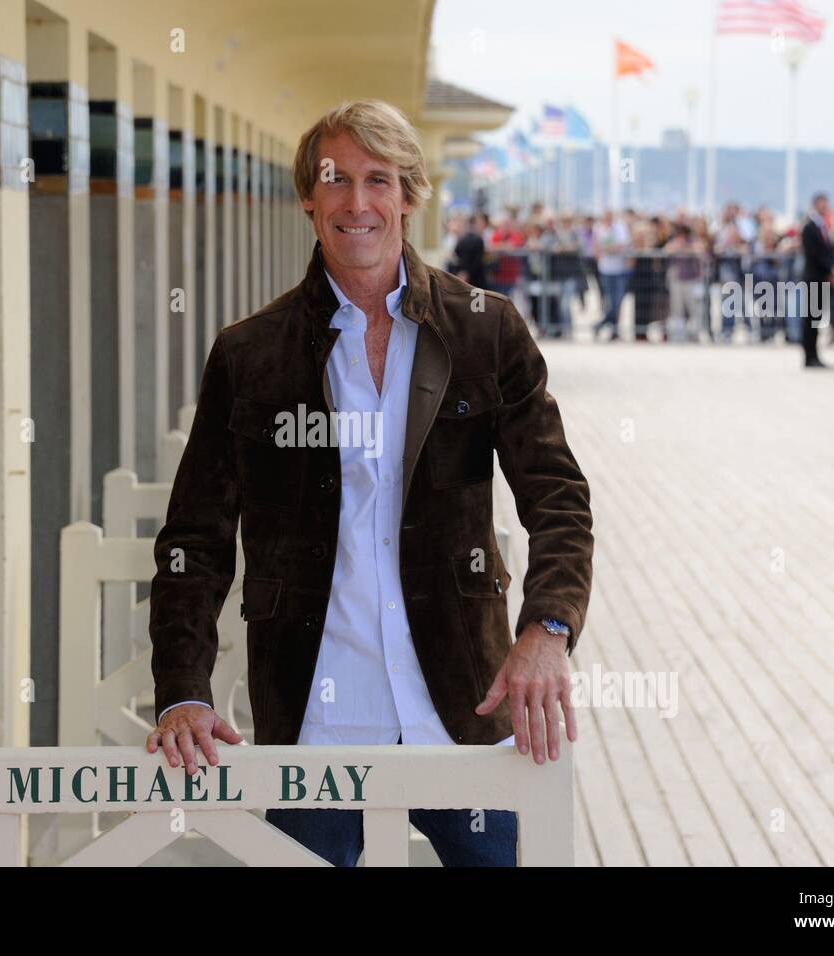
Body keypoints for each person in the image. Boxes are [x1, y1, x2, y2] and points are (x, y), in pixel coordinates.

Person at [145, 99, 595, 867]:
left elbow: (558, 496)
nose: (358, 202)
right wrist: (183, 687)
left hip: (464, 702)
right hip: (314, 715)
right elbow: (196, 537)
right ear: (308, 199)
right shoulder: (250, 354)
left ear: (409, 195)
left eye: (378, 180)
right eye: (336, 180)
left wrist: (548, 630)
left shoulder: (486, 330)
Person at [800, 192, 834, 368]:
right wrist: (830, 269)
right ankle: (809, 356)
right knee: (811, 319)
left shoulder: (822, 227)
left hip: (821, 278)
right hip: (814, 278)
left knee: (816, 318)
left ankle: (814, 355)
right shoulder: (810, 228)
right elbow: (816, 254)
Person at [592, 210, 631, 341]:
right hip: (605, 270)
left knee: (617, 302)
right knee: (611, 302)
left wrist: (607, 249)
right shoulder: (599, 229)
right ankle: (613, 330)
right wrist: (607, 249)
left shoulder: (620, 228)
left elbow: (621, 246)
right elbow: (596, 247)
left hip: (619, 270)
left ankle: (600, 325)